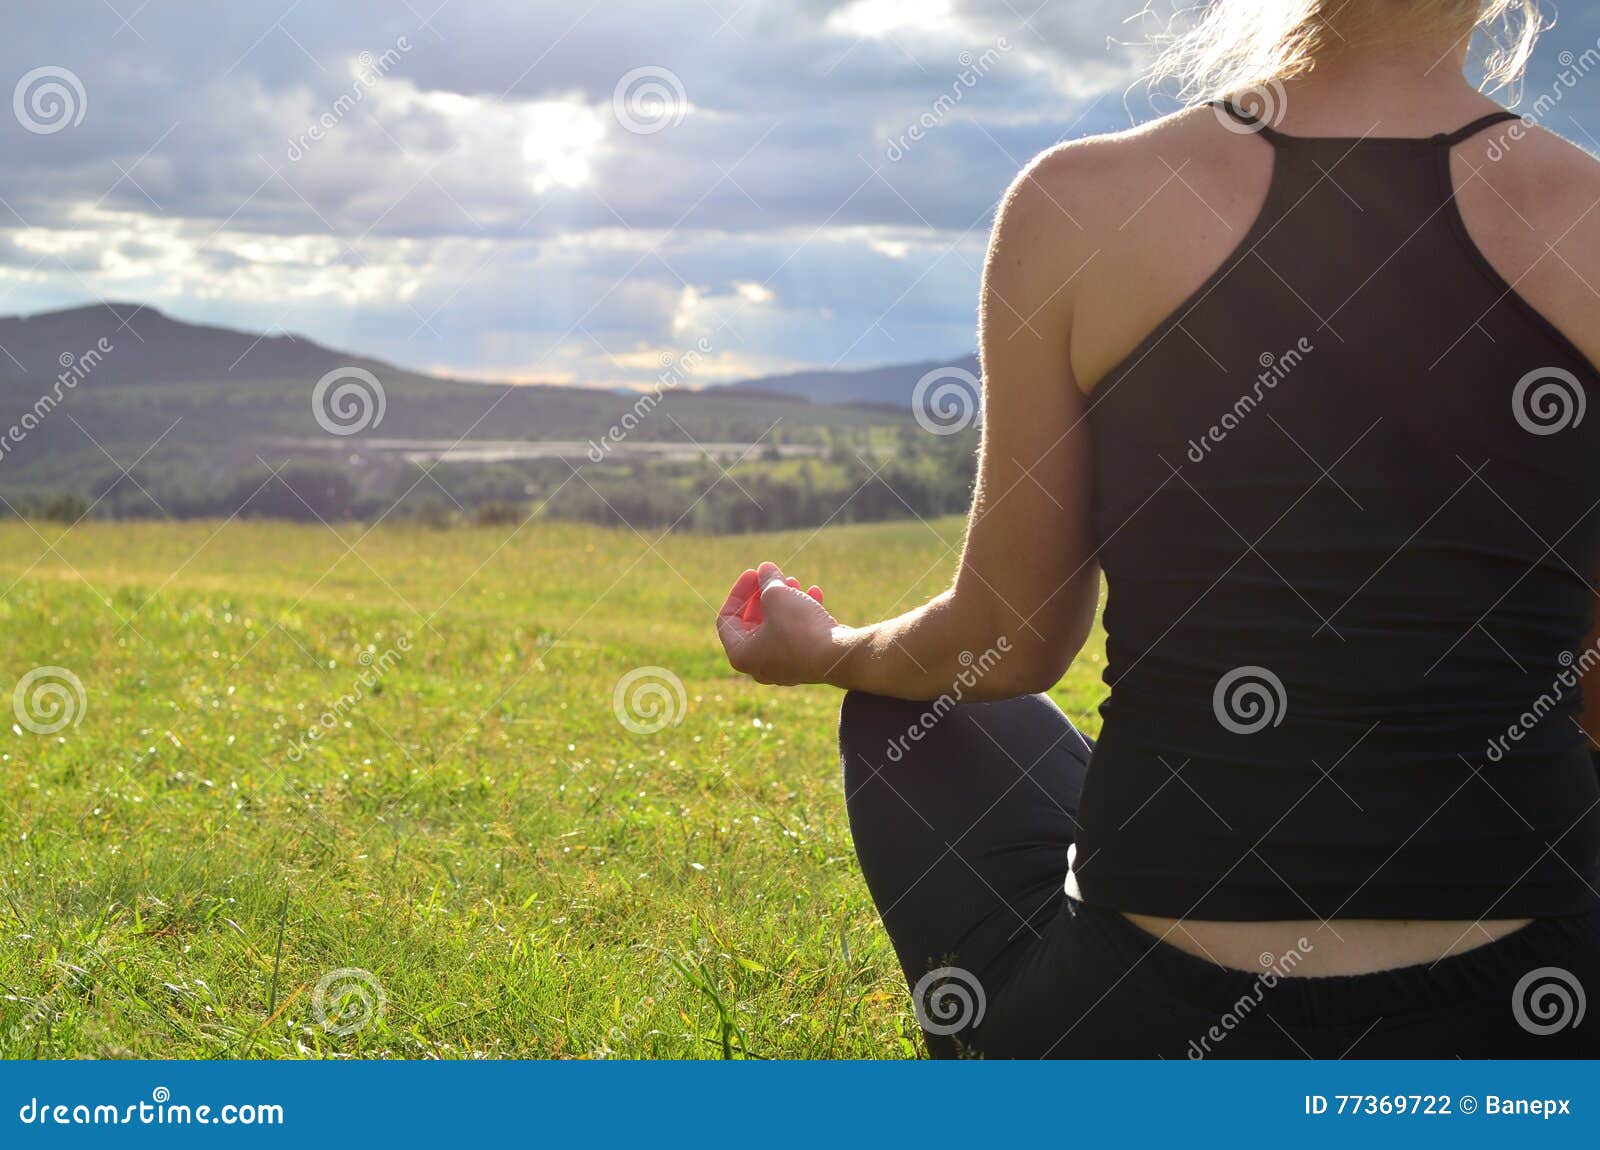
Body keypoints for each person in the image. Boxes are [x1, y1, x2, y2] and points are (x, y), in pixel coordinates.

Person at [716, 0, 1600, 1058]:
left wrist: (827, 651)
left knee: (911, 717)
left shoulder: (1080, 200)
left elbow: (1006, 640)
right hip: (1528, 1015)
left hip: (1143, 1020)